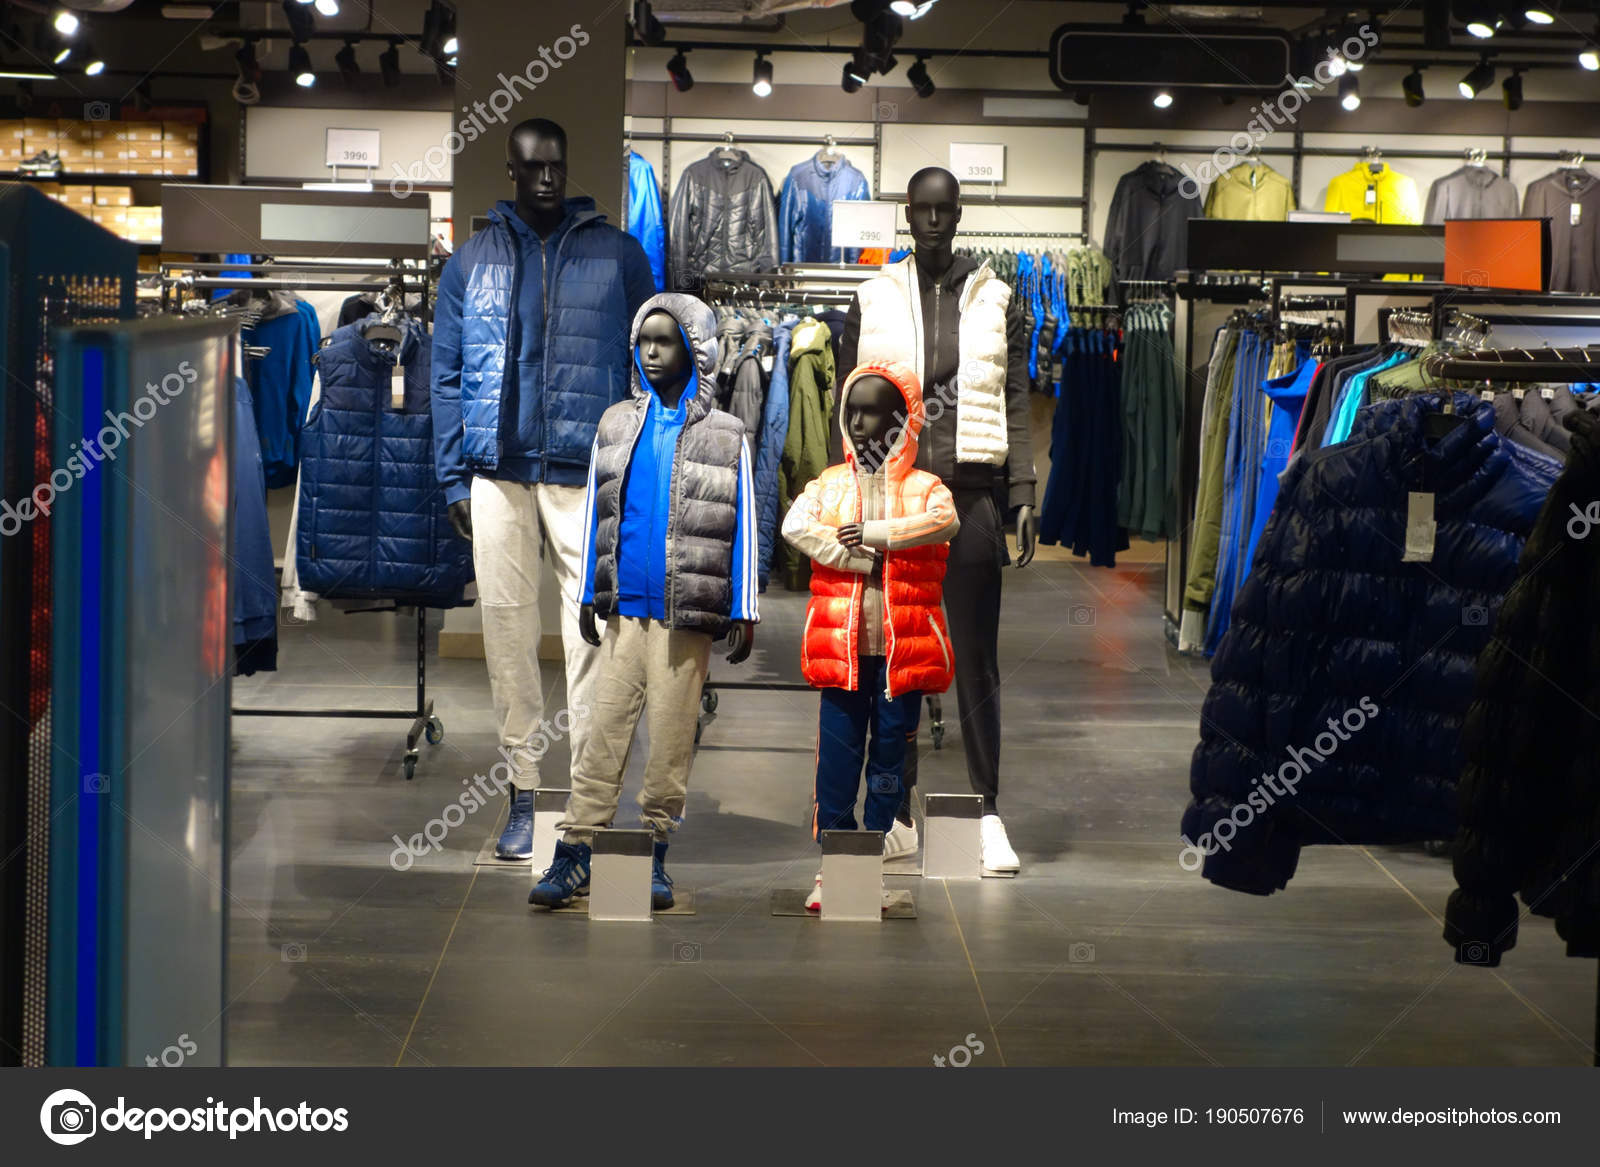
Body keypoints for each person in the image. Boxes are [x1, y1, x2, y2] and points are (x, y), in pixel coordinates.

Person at [431, 118, 655, 862]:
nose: (549, 179)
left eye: (558, 165)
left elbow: (648, 371)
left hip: (584, 470)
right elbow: (446, 375)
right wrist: (452, 473)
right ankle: (524, 791)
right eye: (534, 168)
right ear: (512, 171)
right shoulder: (469, 263)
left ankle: (587, 801)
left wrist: (638, 467)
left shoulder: (618, 255)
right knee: (504, 629)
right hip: (496, 469)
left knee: (591, 630)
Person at [530, 293, 758, 911]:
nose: (653, 352)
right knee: (603, 728)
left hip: (686, 613)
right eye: (644, 342)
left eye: (667, 341)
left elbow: (745, 523)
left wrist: (744, 604)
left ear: (697, 348)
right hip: (625, 607)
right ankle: (577, 846)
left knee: (671, 737)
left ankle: (655, 848)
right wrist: (587, 591)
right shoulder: (615, 424)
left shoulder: (725, 434)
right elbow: (595, 513)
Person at [839, 166, 1037, 874]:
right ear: (905, 215)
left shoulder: (996, 298)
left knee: (975, 659)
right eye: (920, 210)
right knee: (897, 656)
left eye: (942, 210)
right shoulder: (874, 297)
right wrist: (853, 489)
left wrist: (1022, 491)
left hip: (972, 497)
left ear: (957, 214)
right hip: (897, 495)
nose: (931, 222)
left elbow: (1016, 393)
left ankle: (986, 811)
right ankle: (895, 807)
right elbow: (851, 399)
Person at [781, 361, 959, 912]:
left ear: (902, 419)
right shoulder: (829, 485)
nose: (857, 422)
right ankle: (833, 866)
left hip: (903, 655)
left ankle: (873, 861)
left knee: (888, 765)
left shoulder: (927, 488)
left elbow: (944, 521)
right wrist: (859, 558)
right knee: (835, 761)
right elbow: (794, 526)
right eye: (851, 410)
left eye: (872, 411)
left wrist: (880, 535)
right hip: (842, 652)